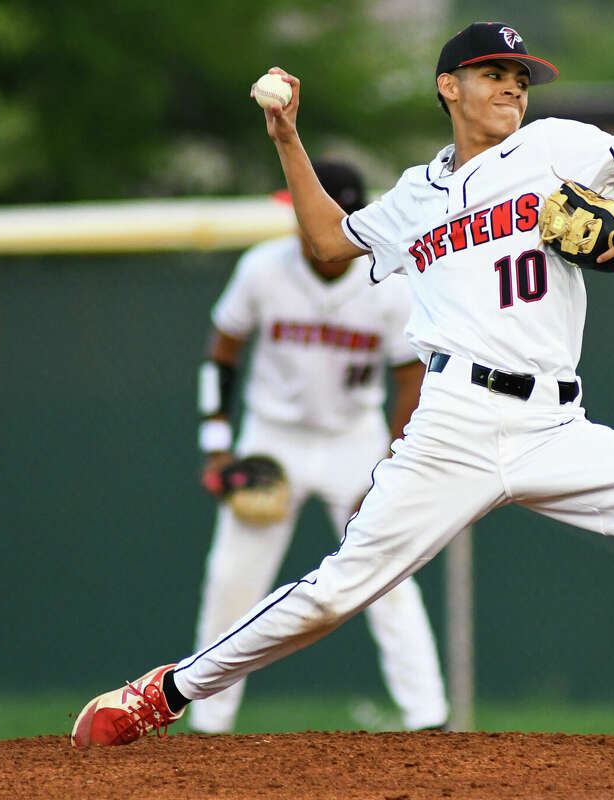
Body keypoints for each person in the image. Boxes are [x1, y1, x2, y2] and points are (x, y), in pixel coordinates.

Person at [71, 21, 614, 759]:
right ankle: (164, 693)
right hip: (455, 423)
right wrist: (287, 139)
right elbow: (329, 240)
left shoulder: (557, 148)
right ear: (448, 85)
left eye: (521, 78)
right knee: (337, 592)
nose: (512, 87)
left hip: (555, 425)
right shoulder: (413, 195)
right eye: (495, 73)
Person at [188, 161, 449, 734]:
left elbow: (412, 379)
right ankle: (209, 724)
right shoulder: (262, 268)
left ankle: (428, 720)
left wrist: (388, 467)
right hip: (271, 439)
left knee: (389, 579)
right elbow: (222, 351)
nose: (302, 220)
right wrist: (217, 444)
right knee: (232, 576)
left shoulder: (389, 283)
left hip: (354, 441)